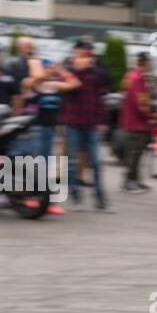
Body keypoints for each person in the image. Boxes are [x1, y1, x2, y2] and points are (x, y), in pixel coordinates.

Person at [57, 39, 111, 210]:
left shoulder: (96, 70)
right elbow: (66, 83)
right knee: (72, 161)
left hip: (91, 122)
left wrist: (102, 120)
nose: (86, 53)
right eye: (82, 49)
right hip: (73, 121)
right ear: (76, 50)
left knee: (95, 162)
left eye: (88, 50)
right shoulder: (69, 67)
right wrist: (78, 66)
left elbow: (104, 90)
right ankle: (76, 196)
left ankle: (100, 198)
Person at [118, 51, 155, 191]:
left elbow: (125, 96)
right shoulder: (138, 79)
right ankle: (129, 181)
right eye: (149, 62)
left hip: (129, 120)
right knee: (134, 153)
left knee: (134, 153)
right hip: (137, 123)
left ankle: (135, 180)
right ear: (145, 63)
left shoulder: (129, 75)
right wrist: (152, 115)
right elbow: (142, 104)